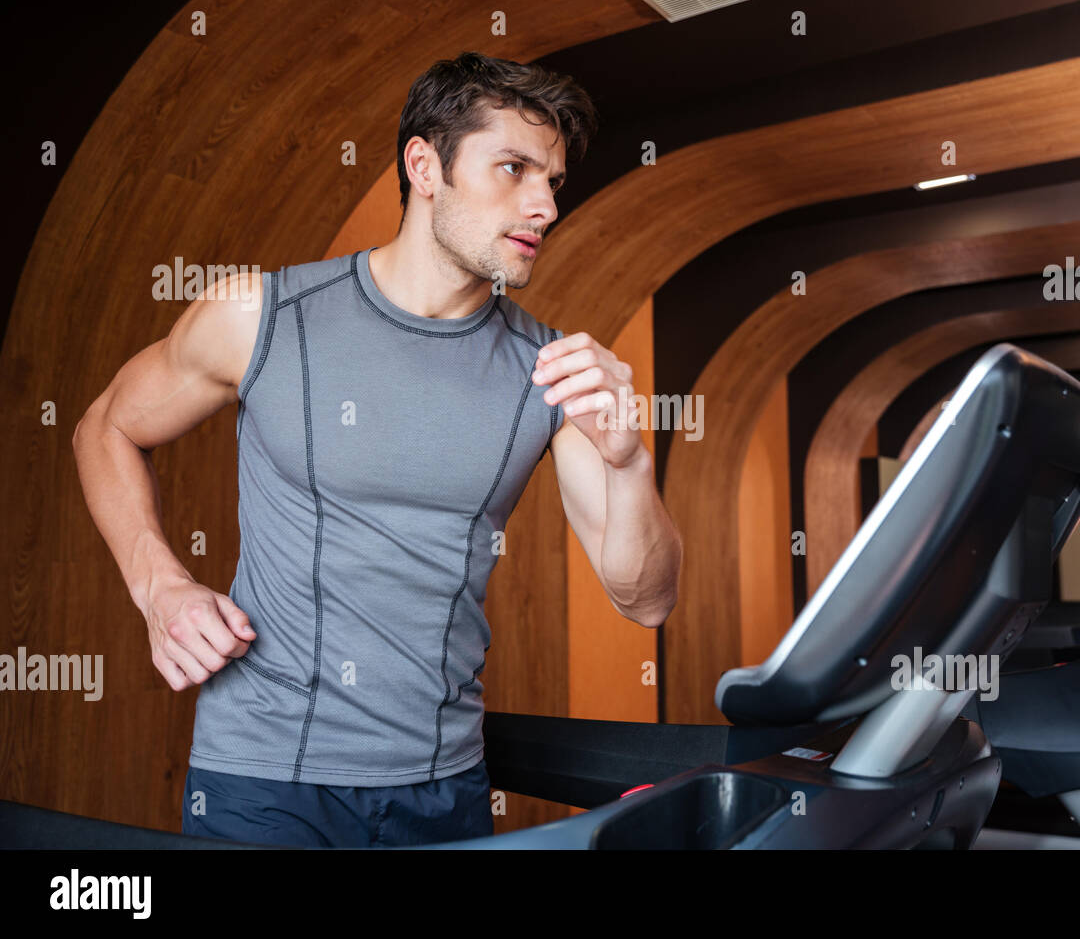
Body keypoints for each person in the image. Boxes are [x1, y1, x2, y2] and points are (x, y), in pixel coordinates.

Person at [72, 51, 683, 847]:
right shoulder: (264, 316)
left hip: (444, 788)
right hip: (265, 778)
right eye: (513, 169)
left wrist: (631, 463)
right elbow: (104, 427)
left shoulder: (550, 372)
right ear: (424, 166)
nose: (544, 205)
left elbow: (647, 599)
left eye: (553, 182)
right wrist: (158, 586)